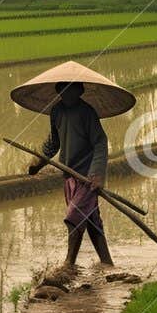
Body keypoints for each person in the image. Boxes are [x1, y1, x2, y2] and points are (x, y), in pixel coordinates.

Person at [25, 81, 113, 268]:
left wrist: (96, 175)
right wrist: (37, 163)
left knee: (74, 215)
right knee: (90, 220)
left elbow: (100, 142)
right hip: (69, 175)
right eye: (63, 91)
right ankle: (107, 263)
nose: (67, 94)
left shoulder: (86, 112)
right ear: (59, 92)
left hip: (87, 177)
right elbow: (53, 142)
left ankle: (68, 263)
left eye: (71, 90)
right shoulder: (57, 111)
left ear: (79, 91)